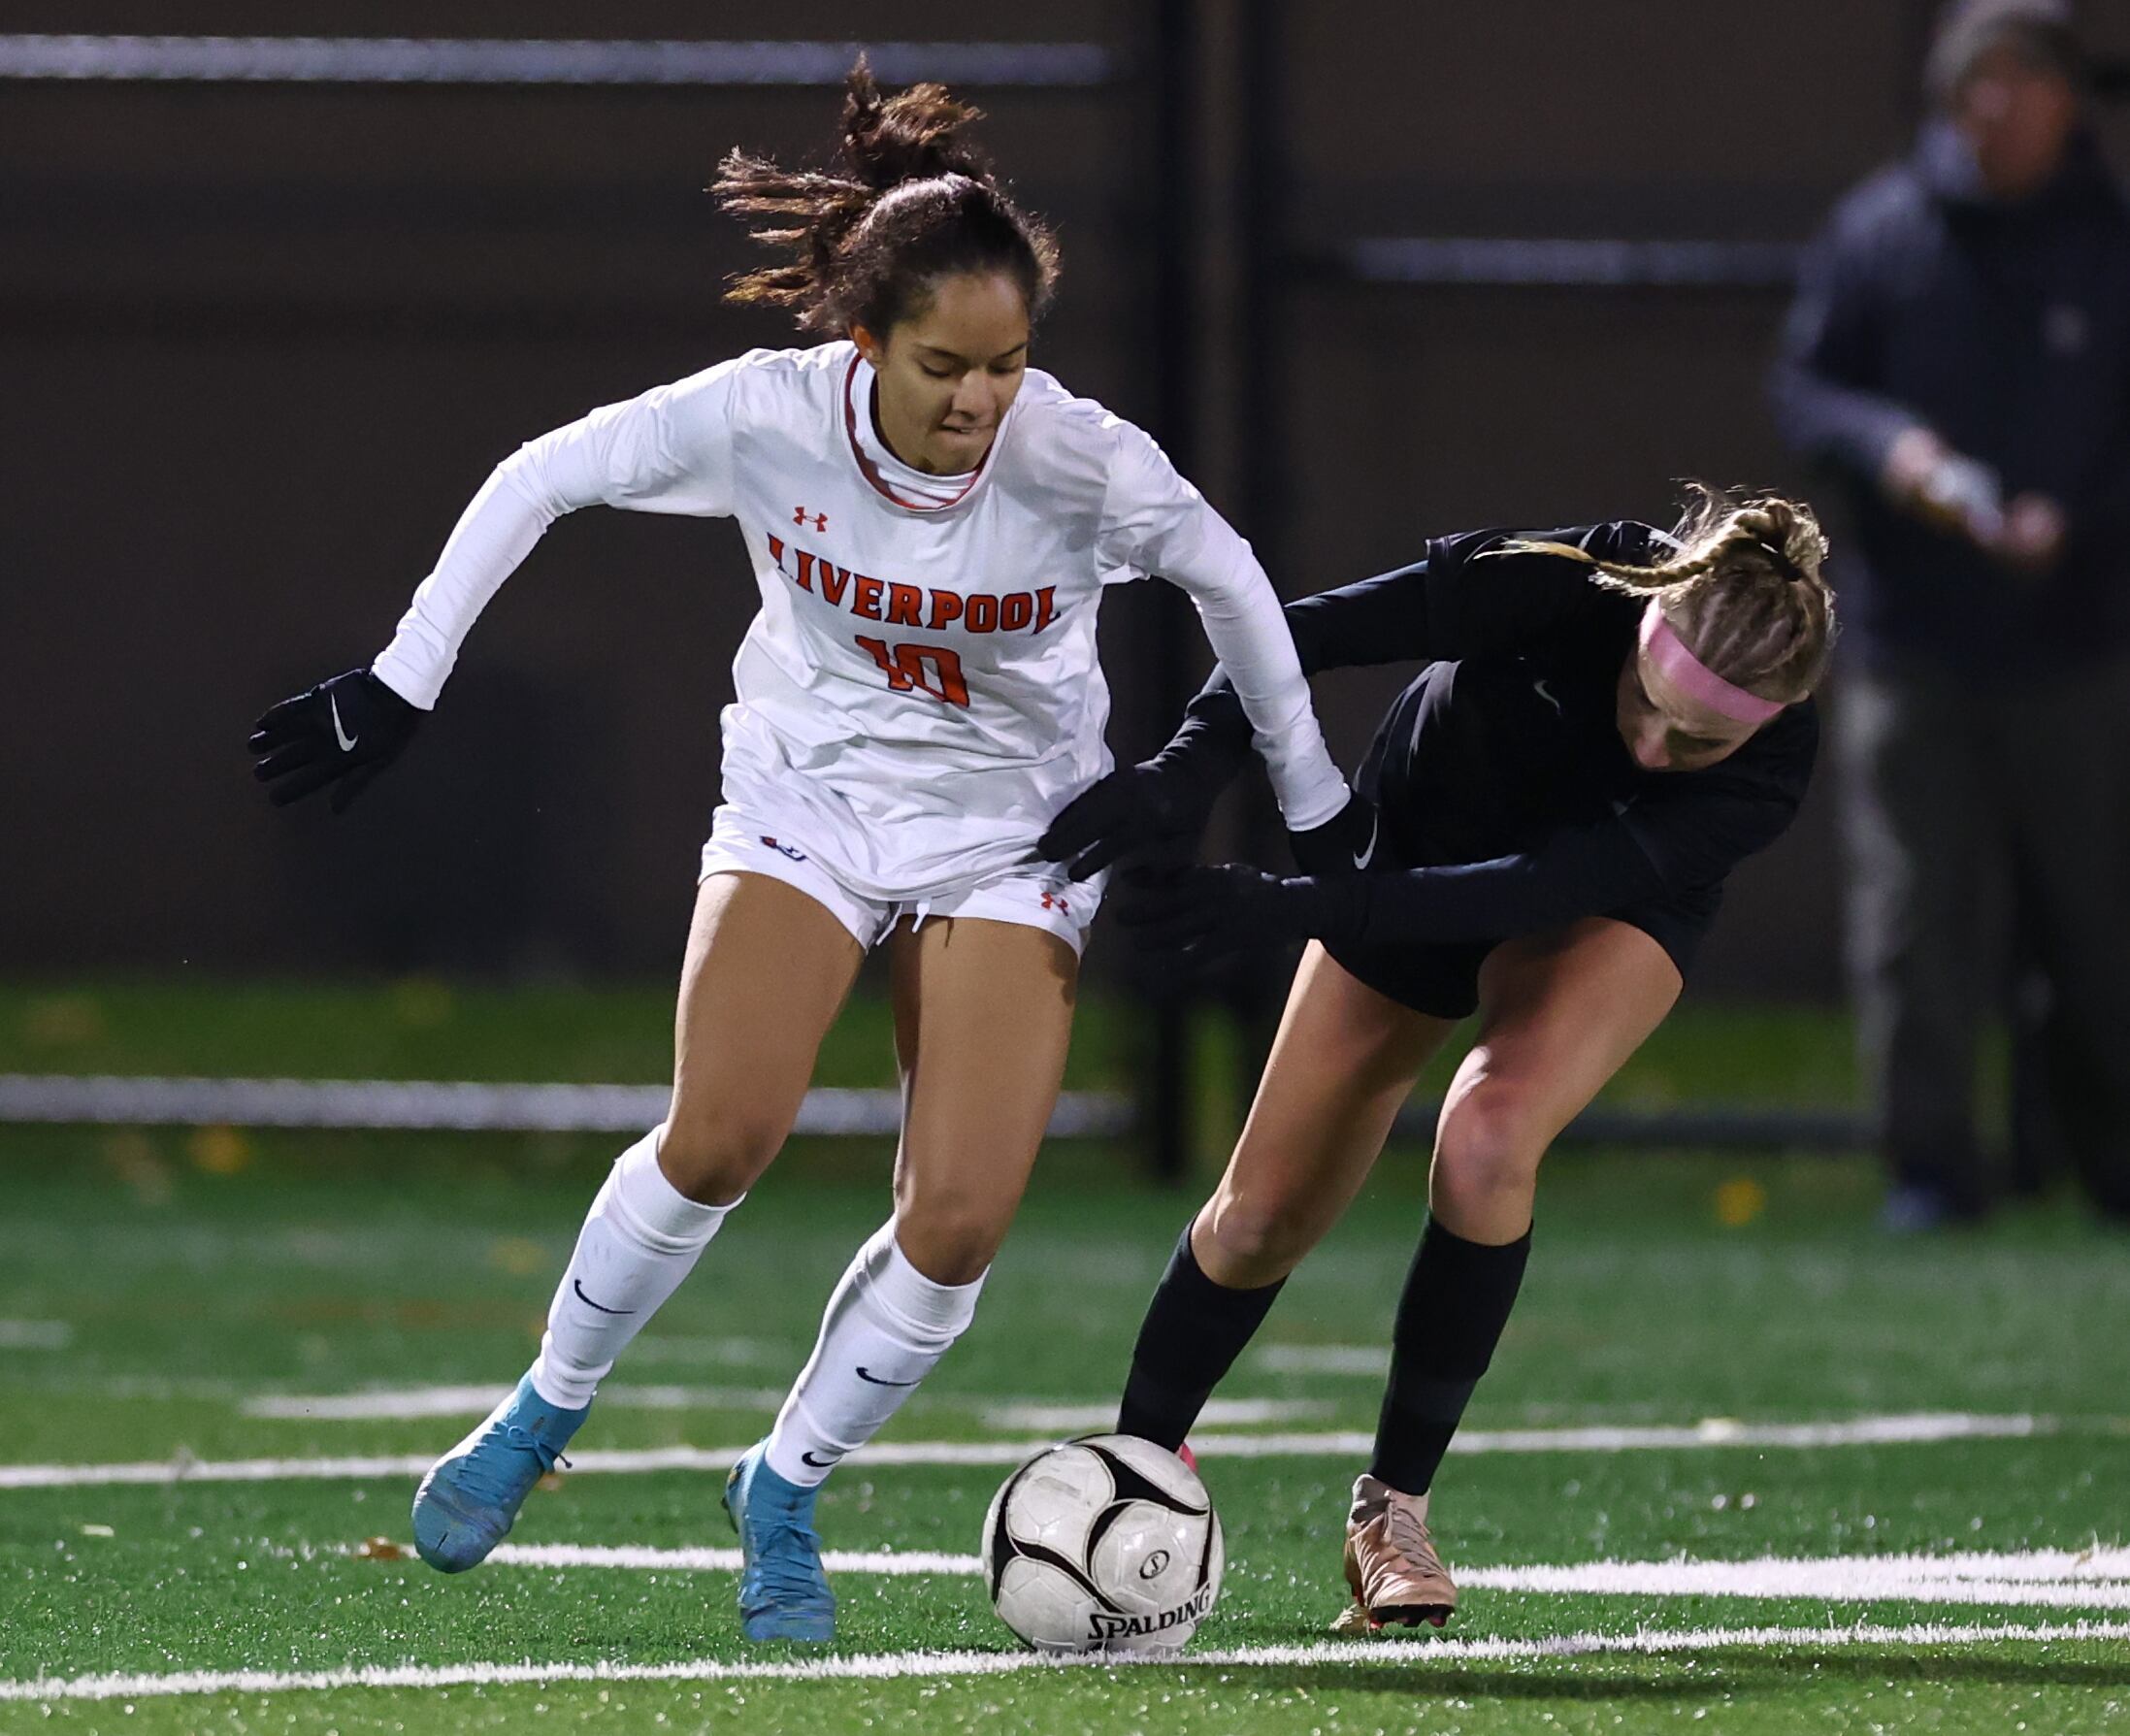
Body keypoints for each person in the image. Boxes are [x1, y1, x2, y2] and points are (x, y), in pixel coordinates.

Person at [246, 61, 1358, 1645]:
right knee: (722, 1131)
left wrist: (1308, 805)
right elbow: (543, 473)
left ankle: (782, 1483)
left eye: (1009, 362)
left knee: (961, 1216)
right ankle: (541, 1410)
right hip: (807, 802)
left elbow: (1234, 582)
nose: (981, 398)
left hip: (1009, 835)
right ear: (864, 341)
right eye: (945, 365)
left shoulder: (1077, 458)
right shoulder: (769, 420)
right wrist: (402, 678)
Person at [1039, 490, 1835, 1632]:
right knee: (1259, 1214)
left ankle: (1391, 1511)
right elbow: (1289, 630)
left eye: (1698, 741)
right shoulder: (1567, 575)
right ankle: (1129, 1477)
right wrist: (1185, 766)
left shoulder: (1766, 771)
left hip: (1598, 901)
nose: (1653, 748)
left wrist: (1291, 906)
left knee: (1486, 1137)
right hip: (1426, 831)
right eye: (1646, 705)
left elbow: (1538, 892)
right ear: (1642, 624)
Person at [1769, 0, 2130, 1228]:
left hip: (2077, 642)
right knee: (1913, 919)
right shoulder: (1881, 233)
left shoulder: (2110, 243)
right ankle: (1929, 1169)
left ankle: (2104, 1165)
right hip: (1909, 644)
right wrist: (1897, 453)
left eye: (2018, 80)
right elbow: (1807, 389)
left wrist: (2071, 521)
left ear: (2063, 99)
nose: (1991, 106)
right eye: (1972, 82)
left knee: (2096, 920)